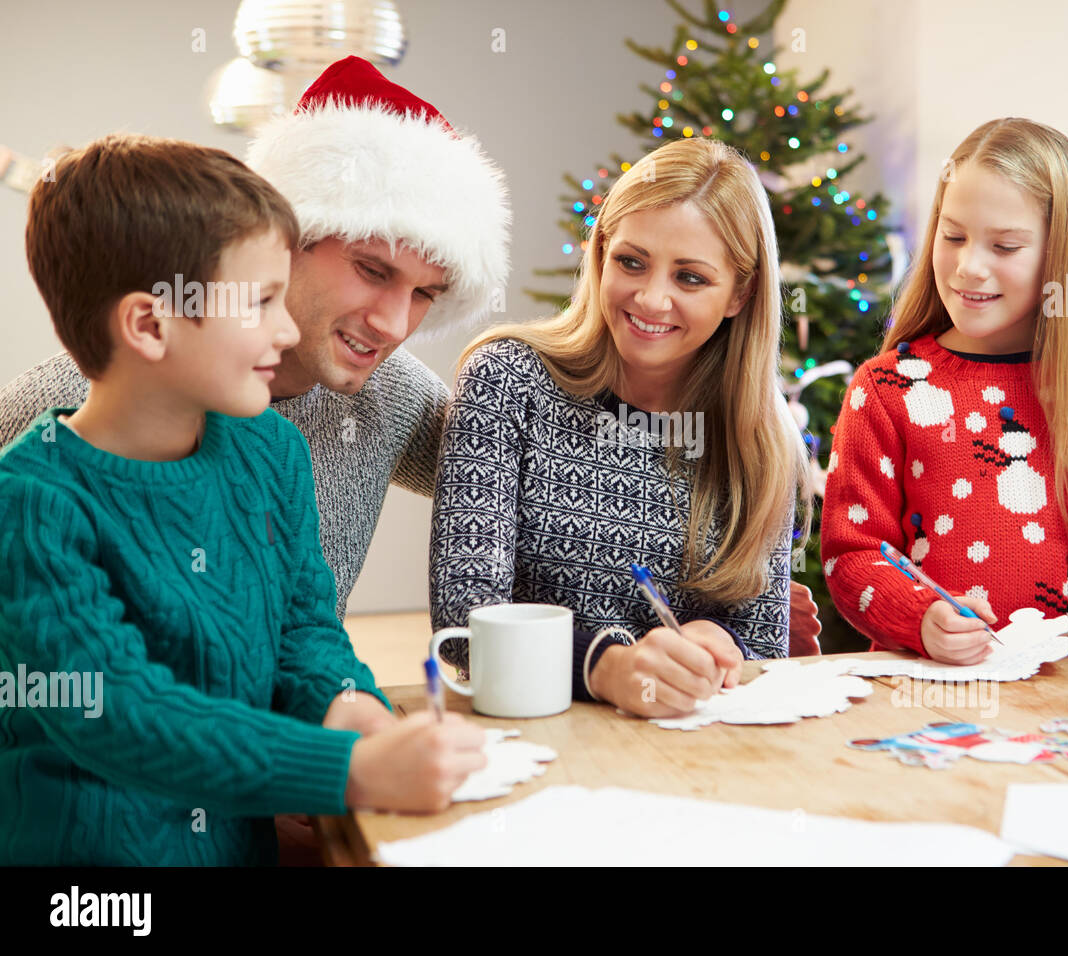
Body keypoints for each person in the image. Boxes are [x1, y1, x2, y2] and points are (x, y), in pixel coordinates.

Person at [0, 135, 486, 865]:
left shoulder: (271, 454)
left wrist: (345, 702)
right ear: (149, 325)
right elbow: (122, 712)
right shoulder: (31, 502)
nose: (287, 329)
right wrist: (345, 770)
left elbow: (304, 630)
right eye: (261, 302)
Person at [0, 55, 512, 626]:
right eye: (372, 271)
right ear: (285, 239)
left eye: (426, 295)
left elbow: (522, 471)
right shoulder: (66, 406)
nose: (394, 326)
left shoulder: (391, 395)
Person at [429, 138, 812, 718]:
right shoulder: (506, 381)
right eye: (631, 261)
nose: (652, 298)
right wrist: (606, 666)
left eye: (690, 278)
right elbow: (463, 627)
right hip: (531, 736)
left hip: (686, 755)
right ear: (600, 252)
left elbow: (762, 650)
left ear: (742, 293)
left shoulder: (765, 438)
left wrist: (721, 648)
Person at [821, 118, 1068, 664]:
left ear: (1062, 256)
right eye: (952, 235)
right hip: (935, 705)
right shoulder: (886, 390)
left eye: (1005, 246)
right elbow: (853, 554)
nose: (968, 266)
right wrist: (920, 618)